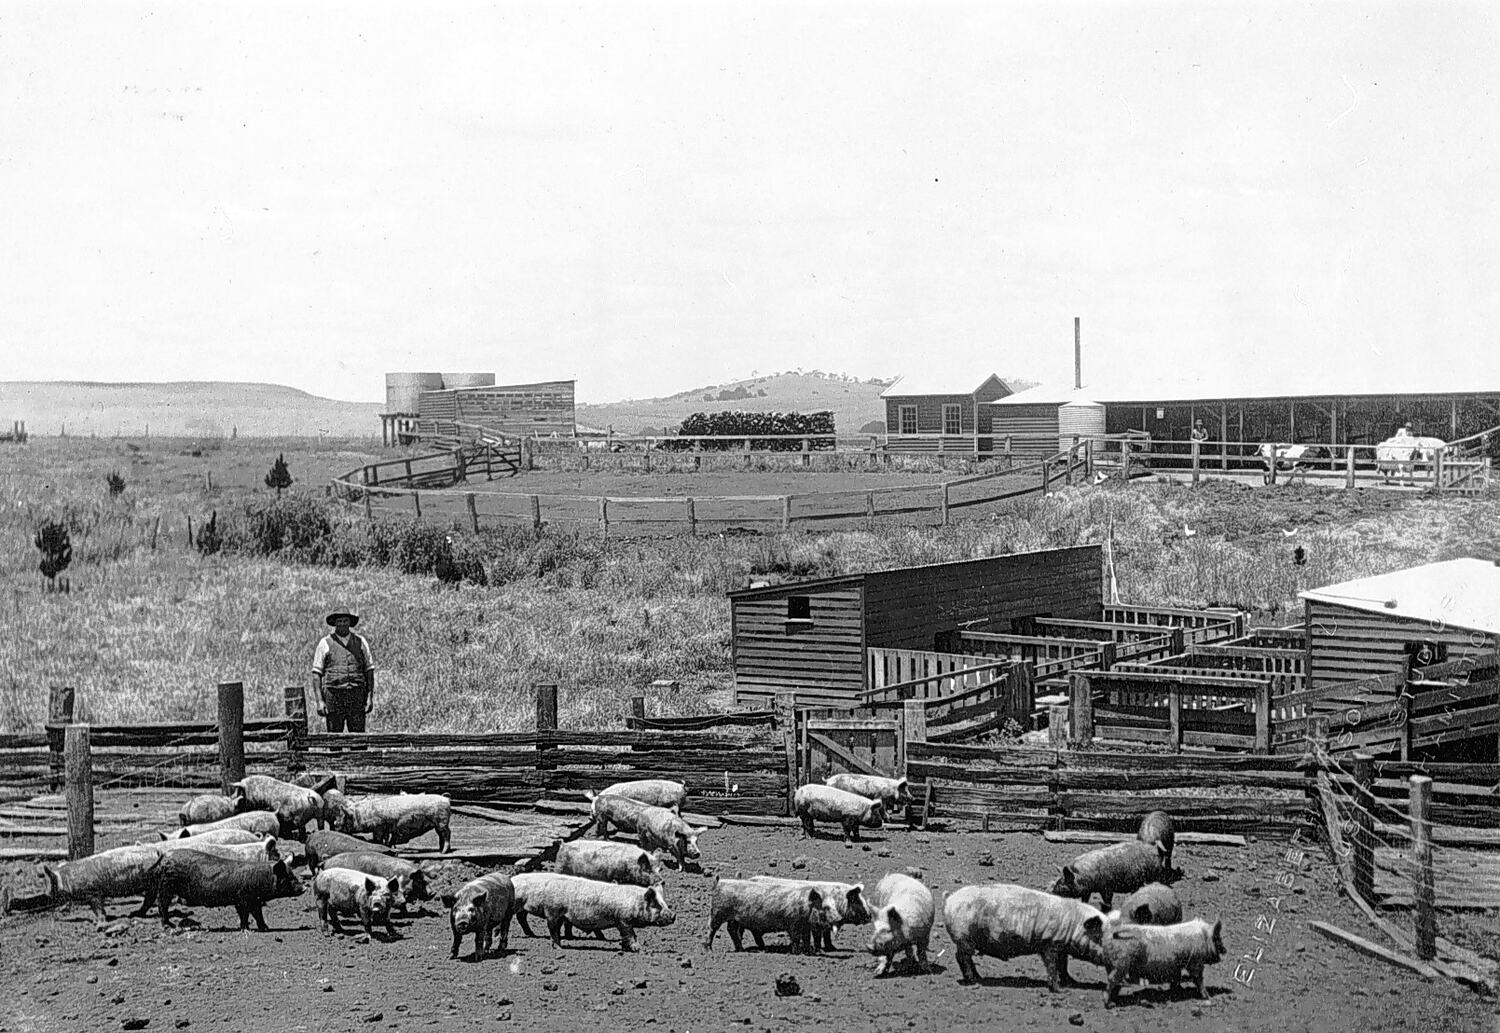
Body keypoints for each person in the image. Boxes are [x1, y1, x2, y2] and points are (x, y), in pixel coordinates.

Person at [311, 608, 375, 733]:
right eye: (339, 621)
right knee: (334, 737)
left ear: (350, 622)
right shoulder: (325, 643)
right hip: (334, 696)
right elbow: (316, 675)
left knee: (358, 737)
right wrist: (319, 701)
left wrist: (370, 698)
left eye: (345, 621)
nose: (342, 624)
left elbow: (369, 671)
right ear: (335, 623)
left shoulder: (361, 642)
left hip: (356, 696)